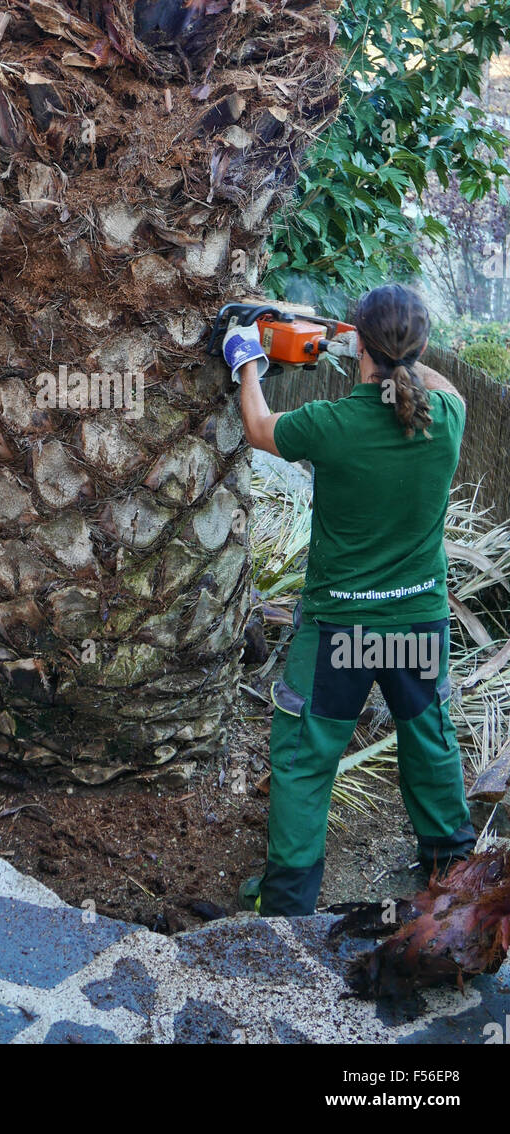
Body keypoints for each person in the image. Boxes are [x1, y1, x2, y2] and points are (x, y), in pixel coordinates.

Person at [223, 284, 476, 917]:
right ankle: (454, 881)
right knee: (429, 741)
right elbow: (443, 387)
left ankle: (287, 905)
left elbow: (257, 427)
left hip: (341, 630)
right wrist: (383, 349)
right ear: (417, 350)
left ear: (359, 343)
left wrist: (245, 357)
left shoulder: (332, 424)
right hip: (417, 623)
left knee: (307, 754)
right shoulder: (445, 420)